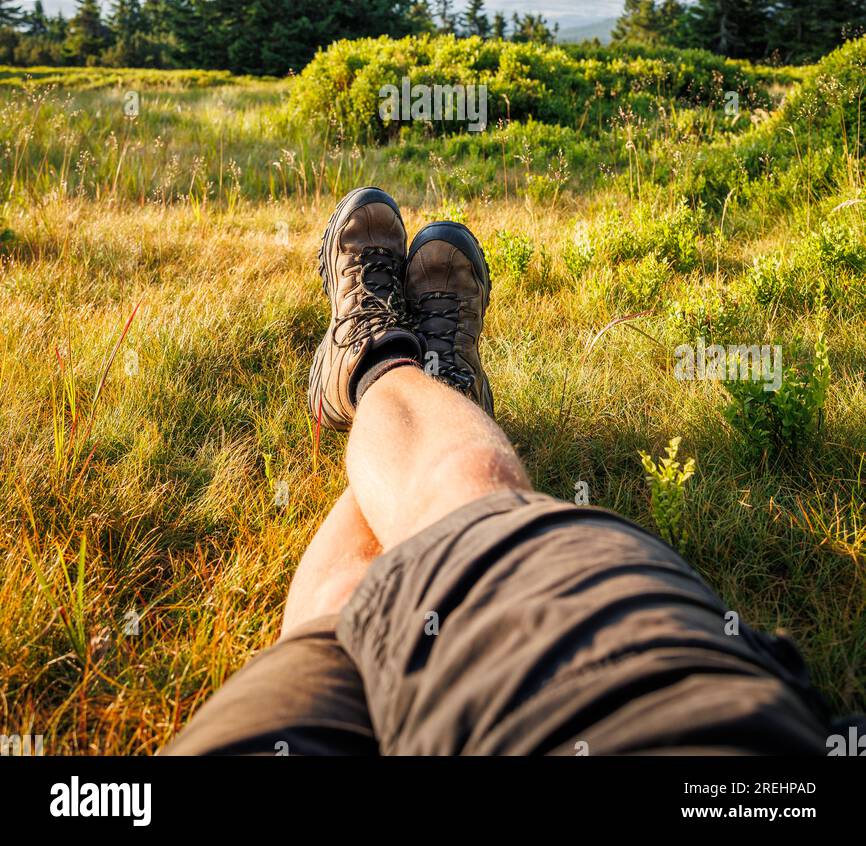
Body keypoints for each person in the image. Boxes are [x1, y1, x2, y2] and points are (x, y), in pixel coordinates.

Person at [166, 186, 832, 756]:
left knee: (347, 602)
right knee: (464, 501)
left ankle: (373, 363)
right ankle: (443, 385)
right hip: (658, 721)